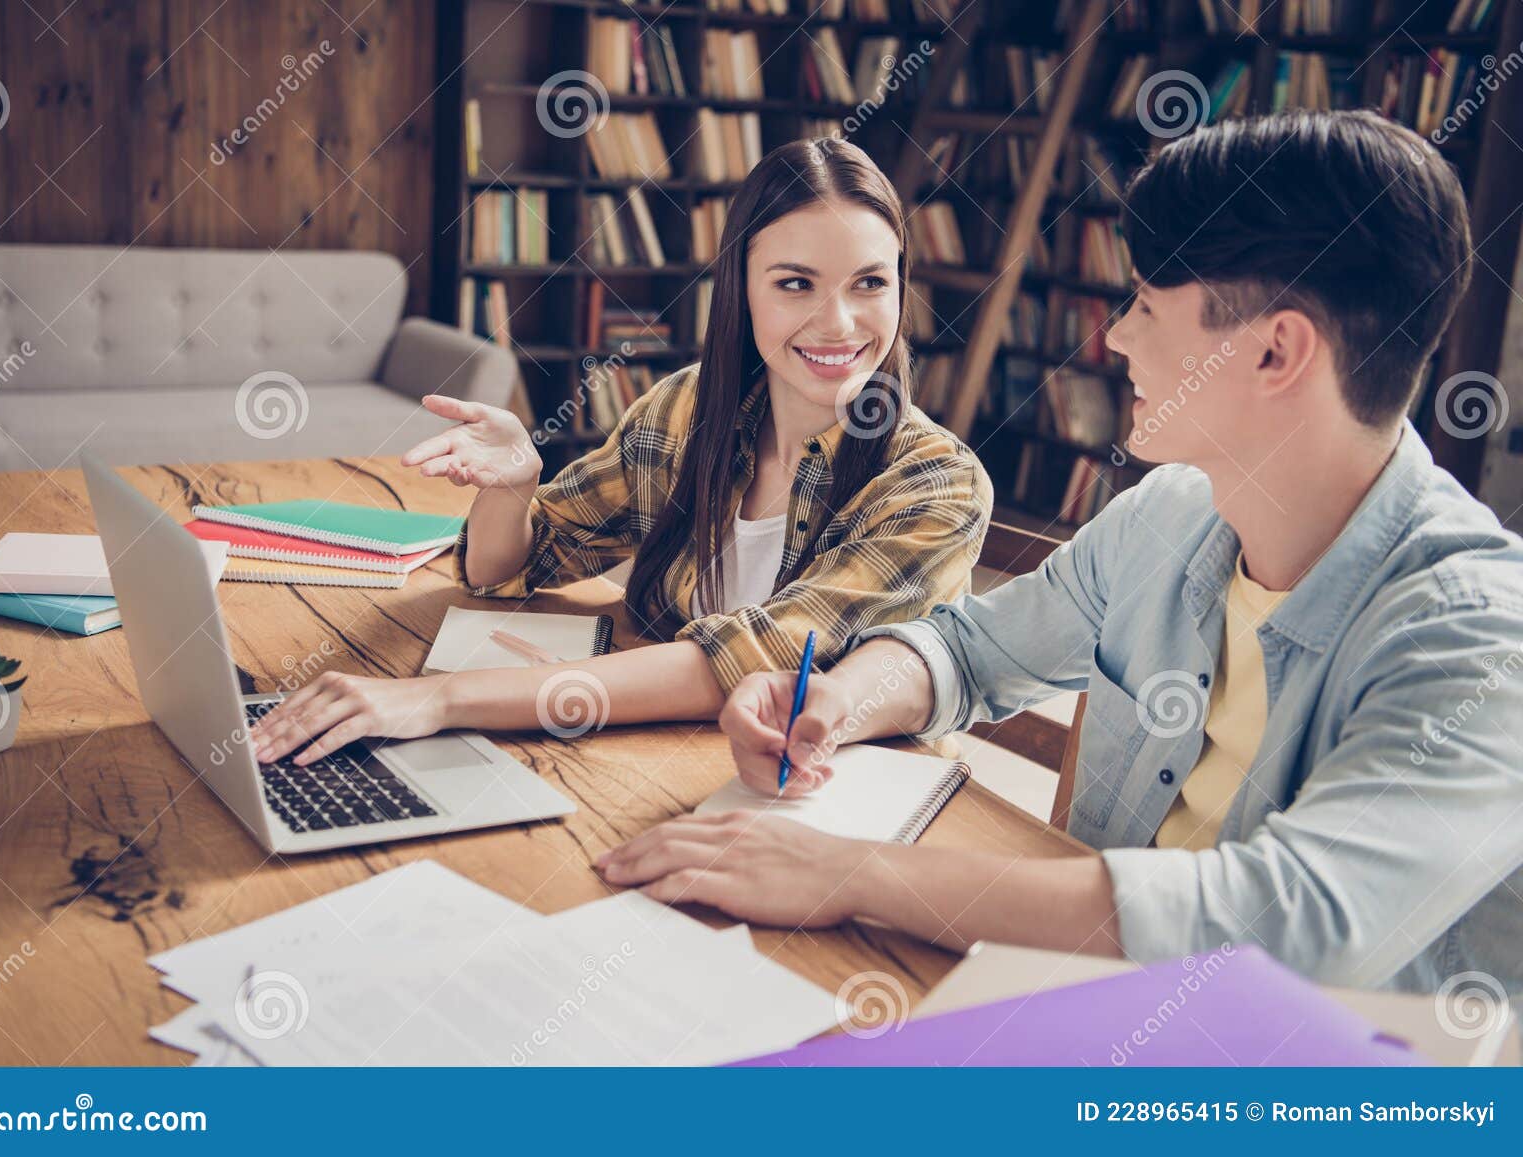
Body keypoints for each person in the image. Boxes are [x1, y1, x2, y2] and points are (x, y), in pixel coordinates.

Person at [600, 110, 1523, 996]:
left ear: (1276, 352)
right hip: (1081, 1008)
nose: (1117, 335)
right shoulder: (1165, 516)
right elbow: (965, 650)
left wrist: (853, 874)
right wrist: (839, 702)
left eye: (1147, 305)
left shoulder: (1482, 638)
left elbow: (1289, 921)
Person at [251, 137, 990, 765]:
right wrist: (513, 488)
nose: (839, 323)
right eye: (796, 283)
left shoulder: (938, 485)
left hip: (828, 795)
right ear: (741, 289)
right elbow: (505, 572)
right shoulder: (688, 410)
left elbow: (746, 661)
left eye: (870, 283)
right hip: (661, 750)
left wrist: (440, 698)